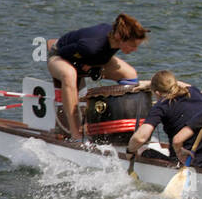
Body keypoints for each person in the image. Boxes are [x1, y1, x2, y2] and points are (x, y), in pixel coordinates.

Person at [47, 13, 147, 141]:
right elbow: (62, 52)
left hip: (93, 59)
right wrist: (85, 64)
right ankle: (75, 133)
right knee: (69, 74)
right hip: (59, 56)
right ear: (119, 37)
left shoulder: (115, 38)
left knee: (130, 74)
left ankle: (126, 128)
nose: (135, 49)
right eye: (133, 46)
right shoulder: (91, 46)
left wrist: (95, 66)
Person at [126, 71, 202, 167]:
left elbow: (140, 138)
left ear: (157, 93)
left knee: (142, 149)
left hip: (182, 162)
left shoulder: (162, 105)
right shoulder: (194, 92)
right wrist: (149, 83)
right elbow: (183, 85)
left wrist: (130, 151)